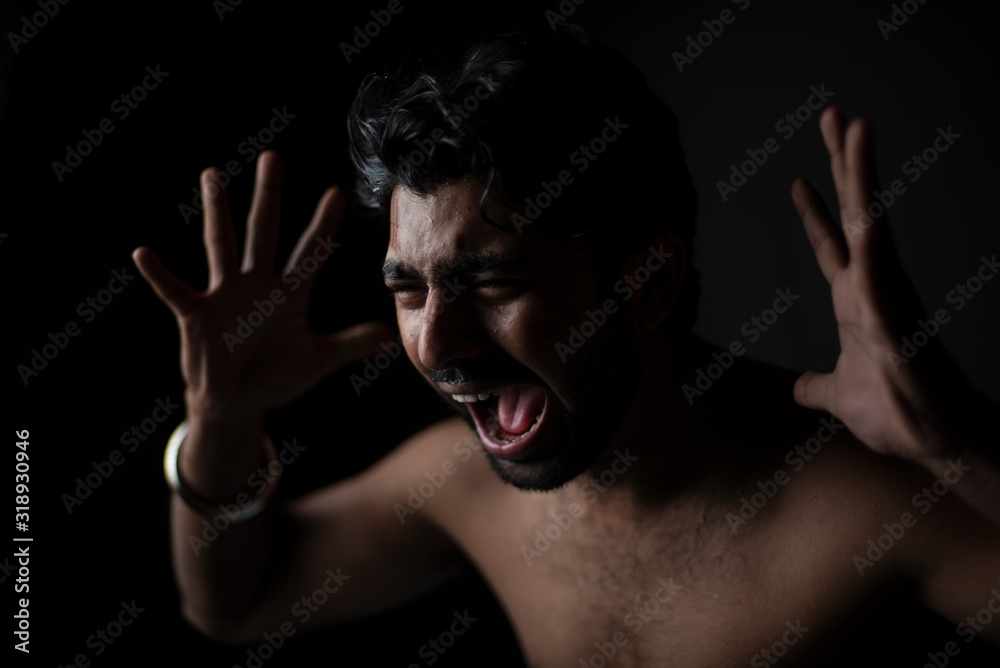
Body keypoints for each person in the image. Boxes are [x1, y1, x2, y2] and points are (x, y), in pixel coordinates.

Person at [133, 21, 1000, 667]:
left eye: (492, 283)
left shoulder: (875, 498)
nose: (437, 345)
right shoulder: (462, 486)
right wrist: (222, 422)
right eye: (409, 289)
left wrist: (955, 445)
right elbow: (237, 604)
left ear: (650, 280)